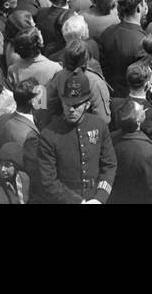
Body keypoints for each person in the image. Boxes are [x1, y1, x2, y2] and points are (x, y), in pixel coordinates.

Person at [35, 71, 117, 204]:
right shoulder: (49, 135)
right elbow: (49, 181)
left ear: (87, 104)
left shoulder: (99, 125)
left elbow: (109, 165)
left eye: (76, 105)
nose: (71, 110)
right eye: (67, 104)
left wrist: (99, 198)